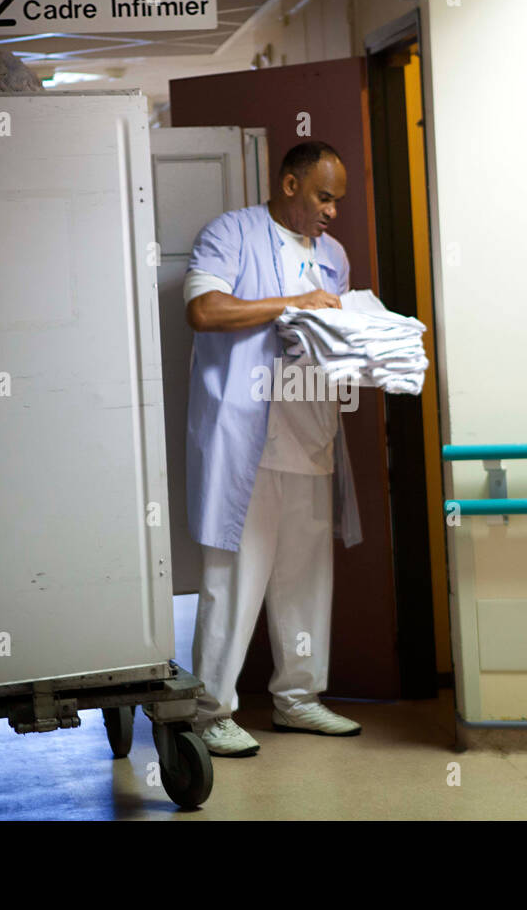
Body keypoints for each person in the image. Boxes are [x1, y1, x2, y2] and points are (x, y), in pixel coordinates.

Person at [183, 140, 363, 757]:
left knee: (305, 579)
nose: (331, 211)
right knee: (235, 580)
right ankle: (210, 712)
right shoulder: (231, 233)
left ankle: (300, 699)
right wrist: (294, 303)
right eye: (322, 196)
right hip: (248, 442)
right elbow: (205, 311)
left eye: (336, 200)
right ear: (289, 185)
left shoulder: (334, 255)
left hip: (311, 438)